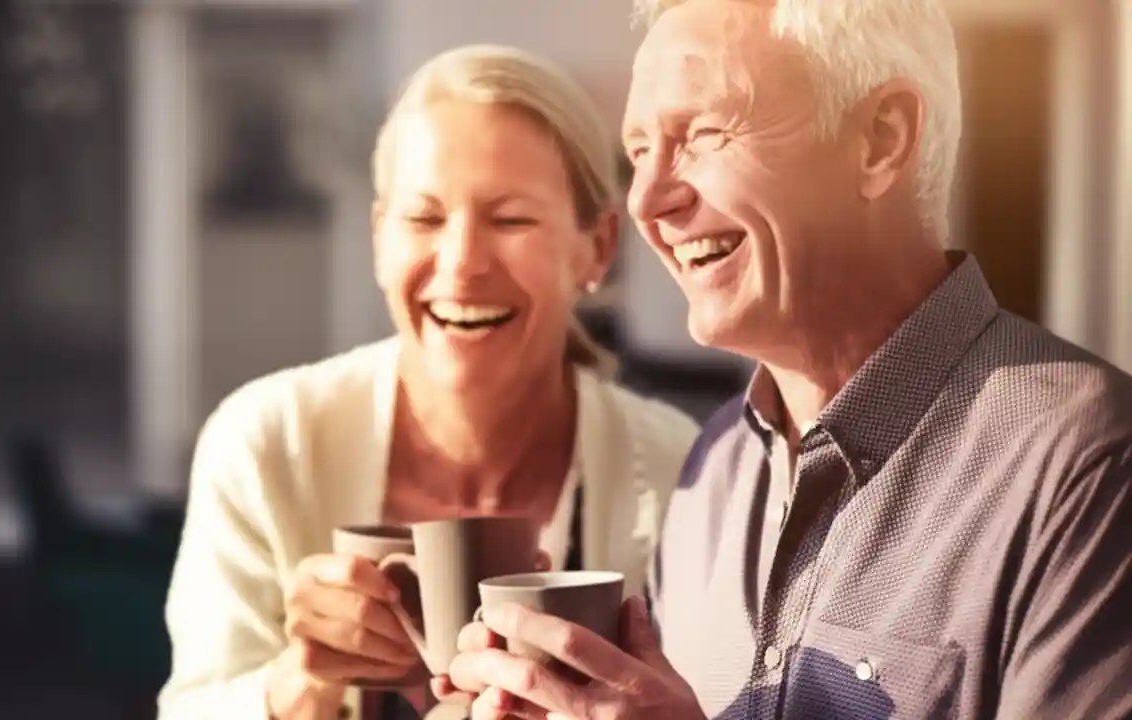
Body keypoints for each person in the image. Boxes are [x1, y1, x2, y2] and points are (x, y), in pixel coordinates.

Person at [443, 1, 1132, 718]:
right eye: (640, 151)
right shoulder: (714, 474)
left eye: (705, 135)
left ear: (879, 140)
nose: (648, 200)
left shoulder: (1086, 462)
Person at [156, 44, 700, 720]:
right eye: (423, 218)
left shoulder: (686, 471)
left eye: (510, 219)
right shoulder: (267, 443)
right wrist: (303, 682)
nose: (463, 263)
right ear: (381, 239)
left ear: (597, 248)